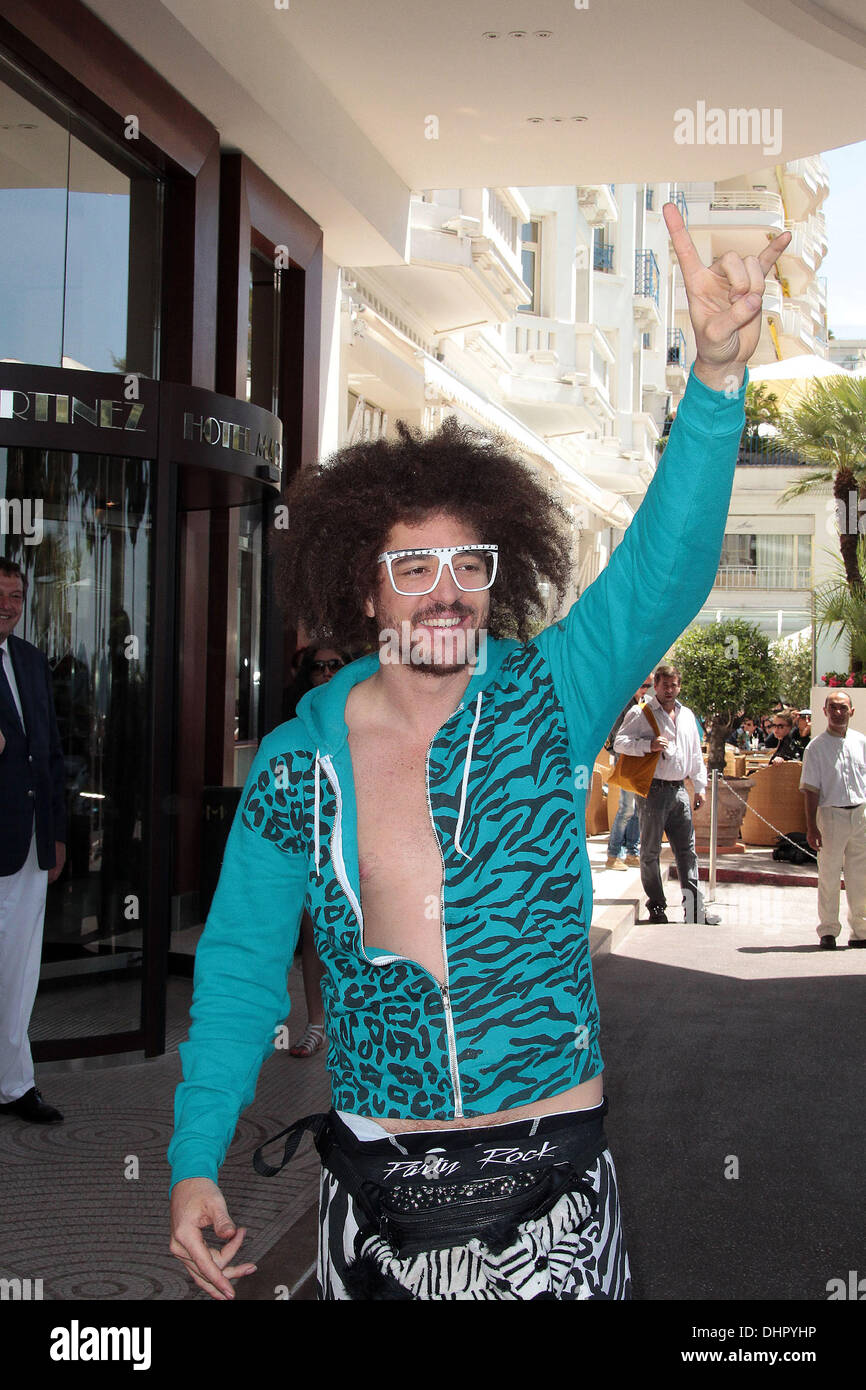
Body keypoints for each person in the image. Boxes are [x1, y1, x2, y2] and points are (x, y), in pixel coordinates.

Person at [168, 204, 788, 1302]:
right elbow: (236, 972)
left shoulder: (553, 692)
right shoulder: (291, 769)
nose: (446, 589)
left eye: (468, 563)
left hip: (551, 1185)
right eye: (413, 567)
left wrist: (716, 378)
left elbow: (663, 568)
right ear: (364, 588)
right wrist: (189, 1161)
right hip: (376, 1197)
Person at [0, 558, 67, 1124]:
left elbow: (48, 755)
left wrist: (58, 834)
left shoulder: (29, 660)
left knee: (19, 972)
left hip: (28, 846)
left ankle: (15, 1086)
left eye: (16, 596)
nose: (7, 606)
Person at [285, 645, 356, 1059]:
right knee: (314, 935)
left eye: (336, 665)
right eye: (319, 667)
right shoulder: (297, 725)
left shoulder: (367, 714)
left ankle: (355, 1024)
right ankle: (316, 1024)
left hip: (361, 841)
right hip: (312, 838)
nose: (328, 673)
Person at [614, 663, 718, 926]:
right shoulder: (641, 712)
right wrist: (646, 746)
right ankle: (657, 906)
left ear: (679, 686)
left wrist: (700, 787)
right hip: (653, 790)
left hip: (679, 790)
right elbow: (619, 742)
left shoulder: (686, 715)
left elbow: (695, 753)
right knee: (650, 851)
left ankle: (694, 909)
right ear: (656, 686)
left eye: (674, 685)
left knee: (687, 851)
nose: (670, 690)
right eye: (665, 685)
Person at [800, 691, 866, 951]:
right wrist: (811, 826)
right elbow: (810, 790)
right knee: (828, 875)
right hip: (831, 815)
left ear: (852, 711)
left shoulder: (862, 742)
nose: (838, 712)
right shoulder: (815, 747)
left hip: (860, 814)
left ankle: (861, 930)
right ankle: (828, 930)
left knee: (860, 876)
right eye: (833, 708)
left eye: (843, 708)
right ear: (825, 711)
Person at [604, 678, 652, 870]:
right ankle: (613, 854)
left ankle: (632, 851)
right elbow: (616, 736)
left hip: (640, 759)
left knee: (637, 809)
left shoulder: (645, 703)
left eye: (648, 686)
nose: (645, 689)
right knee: (627, 808)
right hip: (626, 759)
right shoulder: (623, 703)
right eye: (643, 685)